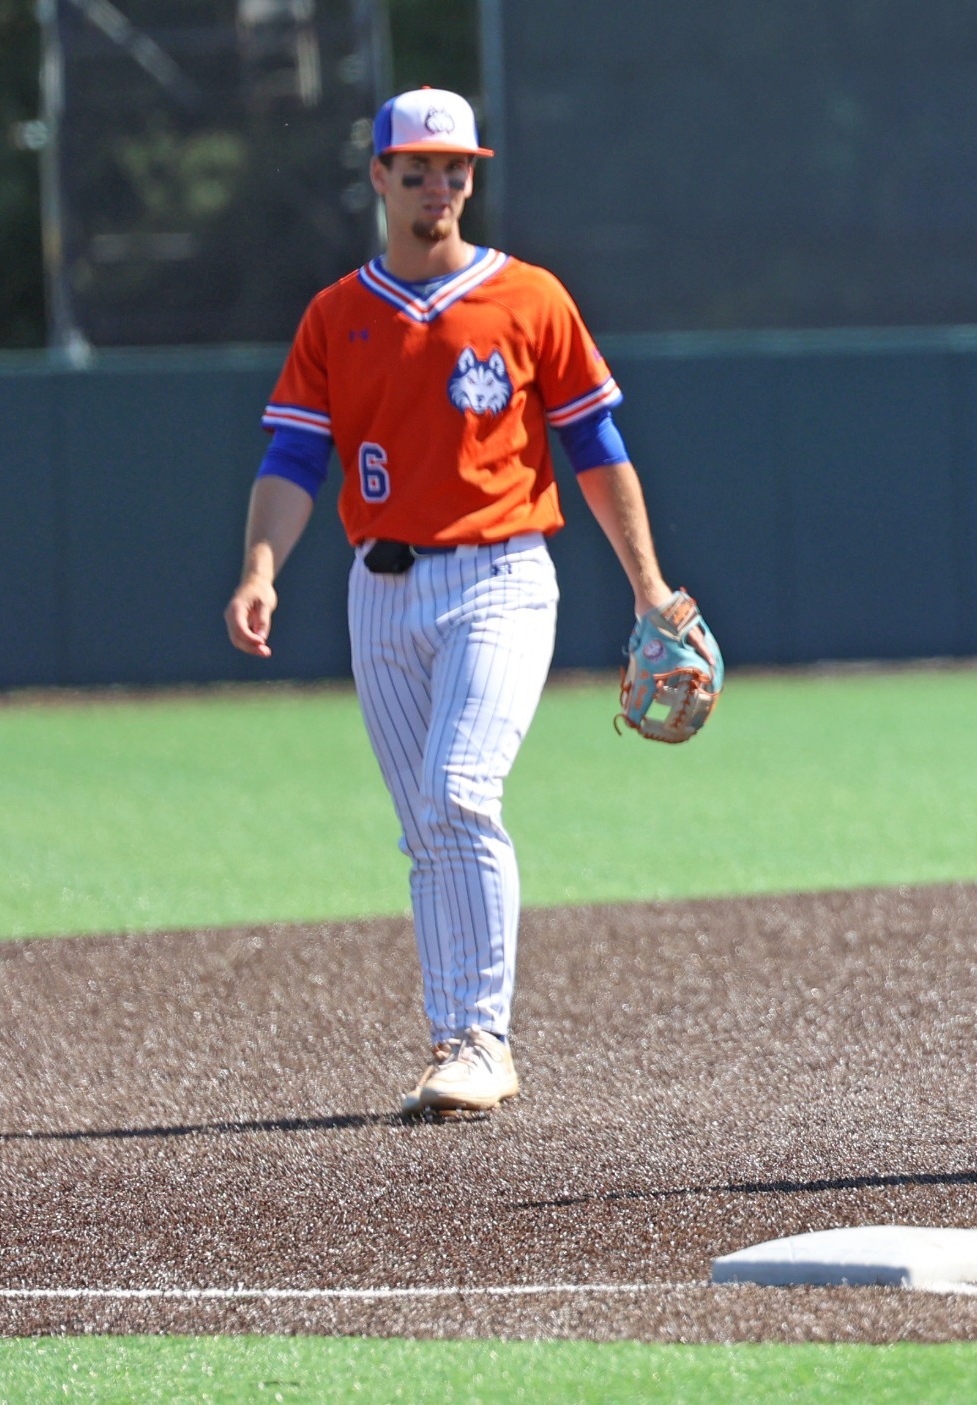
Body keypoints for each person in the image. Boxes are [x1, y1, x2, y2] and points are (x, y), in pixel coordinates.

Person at [223, 87, 683, 1117]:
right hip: (377, 589)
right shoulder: (337, 315)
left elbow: (596, 448)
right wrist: (261, 568)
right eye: (419, 168)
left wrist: (650, 585)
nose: (440, 186)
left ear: (474, 176)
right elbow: (295, 455)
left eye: (456, 169)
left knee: (461, 789)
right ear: (380, 176)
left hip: (502, 576)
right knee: (425, 826)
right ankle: (453, 1042)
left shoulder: (528, 299)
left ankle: (485, 1039)